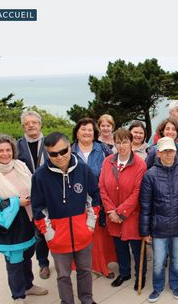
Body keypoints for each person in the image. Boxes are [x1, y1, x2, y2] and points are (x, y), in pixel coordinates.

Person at [31, 132, 100, 304]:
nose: (60, 156)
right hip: (58, 238)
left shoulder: (84, 170)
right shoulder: (39, 176)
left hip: (83, 234)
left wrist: (90, 225)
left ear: (70, 147)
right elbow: (38, 209)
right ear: (47, 153)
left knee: (85, 271)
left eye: (63, 151)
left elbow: (95, 198)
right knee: (63, 275)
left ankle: (87, 300)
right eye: (54, 154)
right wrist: (49, 234)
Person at [0, 134, 48, 303]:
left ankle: (28, 286)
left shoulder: (20, 166)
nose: (5, 153)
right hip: (10, 226)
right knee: (14, 262)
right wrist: (16, 203)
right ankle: (18, 295)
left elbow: (33, 184)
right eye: (1, 151)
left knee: (27, 255)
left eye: (8, 150)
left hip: (28, 219)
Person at [140, 137, 178, 303]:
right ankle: (157, 288)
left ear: (176, 151)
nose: (168, 154)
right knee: (159, 262)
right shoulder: (150, 175)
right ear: (158, 153)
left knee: (176, 260)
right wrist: (145, 231)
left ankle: (175, 285)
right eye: (164, 151)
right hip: (159, 227)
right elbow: (145, 206)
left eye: (171, 150)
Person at [99, 128, 148, 289]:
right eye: (118, 142)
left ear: (131, 142)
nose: (122, 146)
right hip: (112, 215)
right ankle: (124, 273)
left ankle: (140, 276)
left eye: (125, 142)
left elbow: (137, 192)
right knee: (120, 248)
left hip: (132, 215)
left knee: (136, 249)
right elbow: (102, 187)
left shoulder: (140, 163)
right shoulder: (108, 161)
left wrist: (120, 212)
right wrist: (111, 211)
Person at [71, 118, 116, 278]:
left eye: (90, 129)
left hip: (99, 199)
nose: (87, 132)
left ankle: (102, 265)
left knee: (99, 236)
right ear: (76, 132)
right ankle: (82, 266)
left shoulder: (102, 149)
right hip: (76, 201)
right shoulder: (69, 151)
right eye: (83, 129)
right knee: (82, 234)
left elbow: (113, 170)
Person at [16, 110, 50, 279]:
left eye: (34, 122)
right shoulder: (18, 146)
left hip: (50, 192)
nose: (31, 125)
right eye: (27, 123)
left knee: (56, 227)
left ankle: (62, 260)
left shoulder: (50, 142)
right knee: (39, 232)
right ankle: (43, 263)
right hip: (30, 195)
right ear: (23, 126)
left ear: (40, 124)